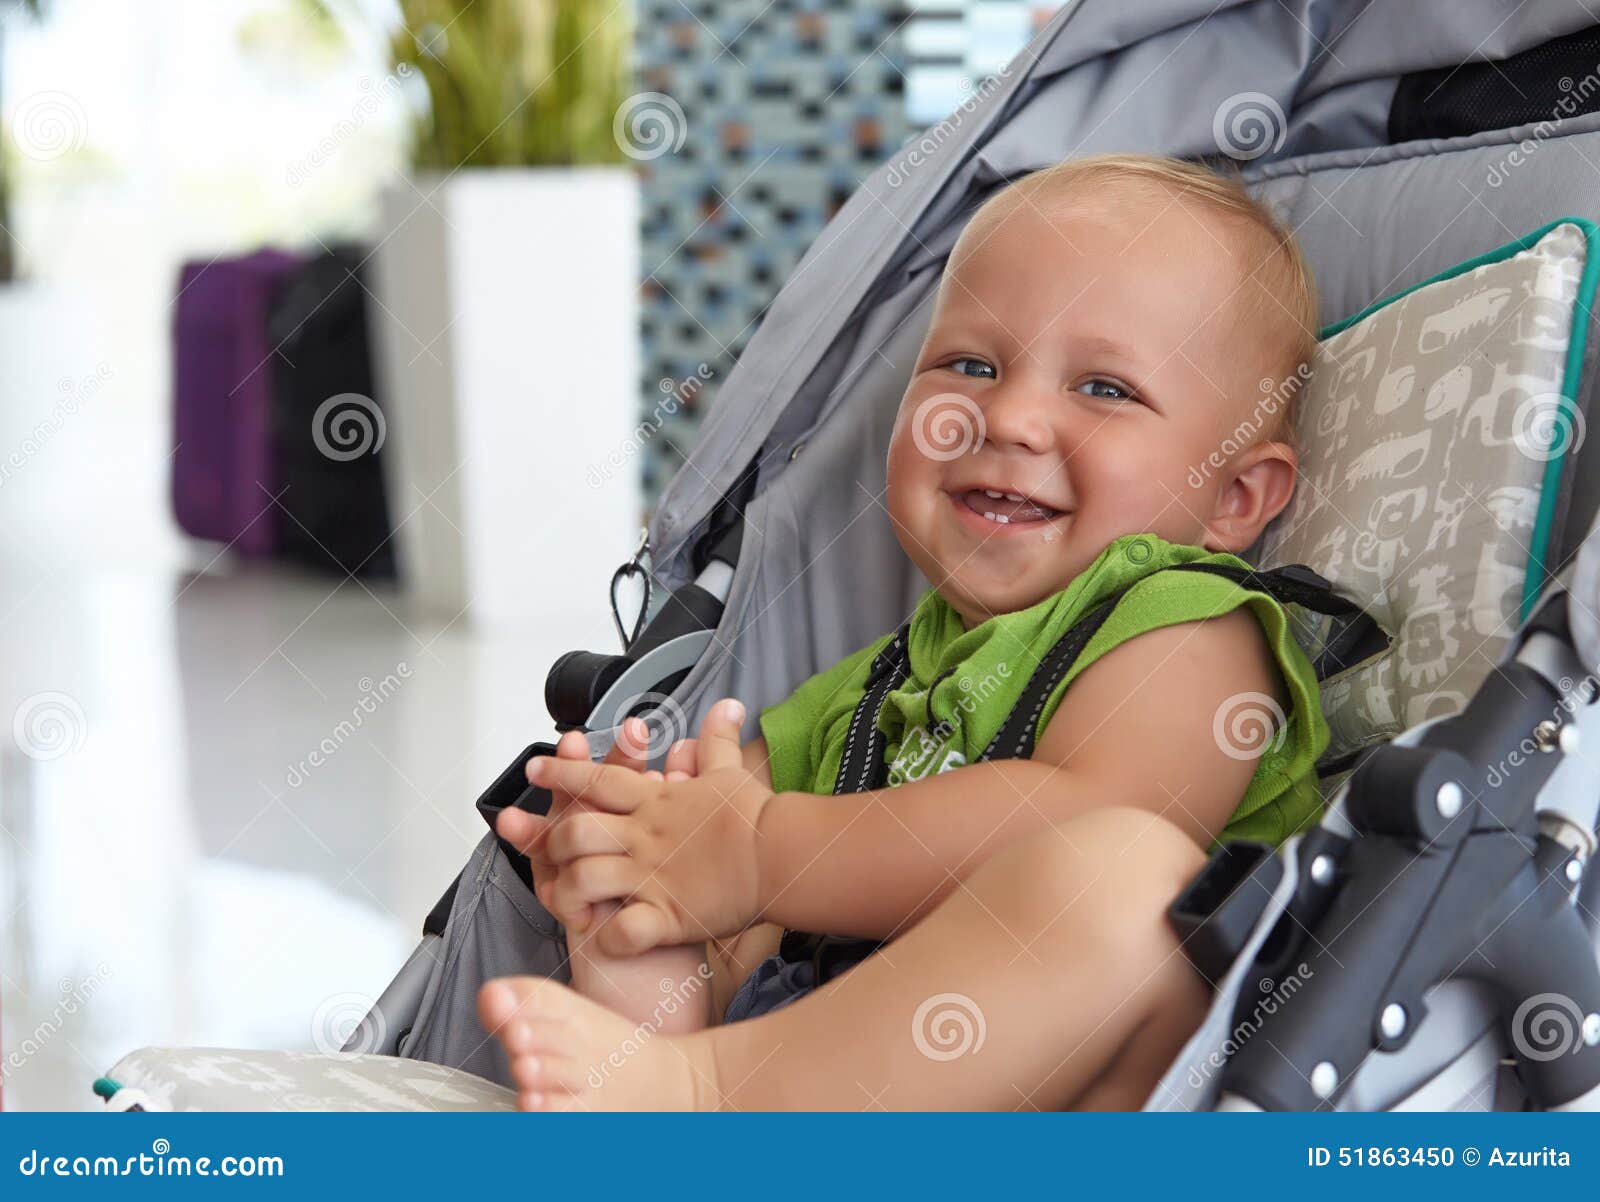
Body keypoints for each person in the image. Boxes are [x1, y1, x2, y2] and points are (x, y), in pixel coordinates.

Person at [477, 152, 1327, 1110]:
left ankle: (704, 1091)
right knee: (664, 920)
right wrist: (640, 856)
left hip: (1098, 1098)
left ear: (1237, 495)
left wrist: (764, 854)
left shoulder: (1190, 624)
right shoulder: (866, 688)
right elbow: (724, 878)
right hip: (825, 1085)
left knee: (1130, 880)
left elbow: (1093, 815)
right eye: (970, 365)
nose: (1007, 415)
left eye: (1105, 389)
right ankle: (661, 1090)